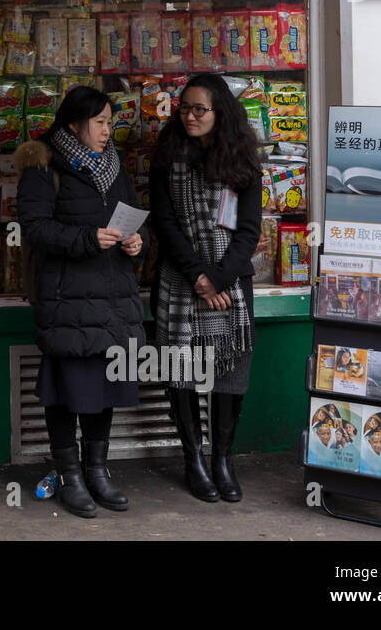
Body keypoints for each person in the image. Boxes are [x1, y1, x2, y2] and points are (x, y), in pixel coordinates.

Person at [15, 86, 147, 518]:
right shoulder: (43, 165)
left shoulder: (115, 166)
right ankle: (69, 475)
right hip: (68, 296)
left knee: (104, 386)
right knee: (65, 389)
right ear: (74, 124)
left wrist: (136, 243)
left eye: (110, 121)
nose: (109, 130)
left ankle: (97, 470)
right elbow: (35, 228)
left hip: (112, 294)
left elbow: (132, 212)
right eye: (101, 122)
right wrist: (86, 239)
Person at [150, 73, 262, 503]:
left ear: (220, 112)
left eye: (200, 109)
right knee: (181, 372)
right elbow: (165, 223)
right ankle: (193, 459)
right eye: (185, 108)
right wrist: (199, 276)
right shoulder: (167, 155)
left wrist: (218, 278)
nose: (191, 116)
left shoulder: (241, 158)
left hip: (229, 282)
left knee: (229, 373)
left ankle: (223, 461)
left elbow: (248, 230)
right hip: (180, 280)